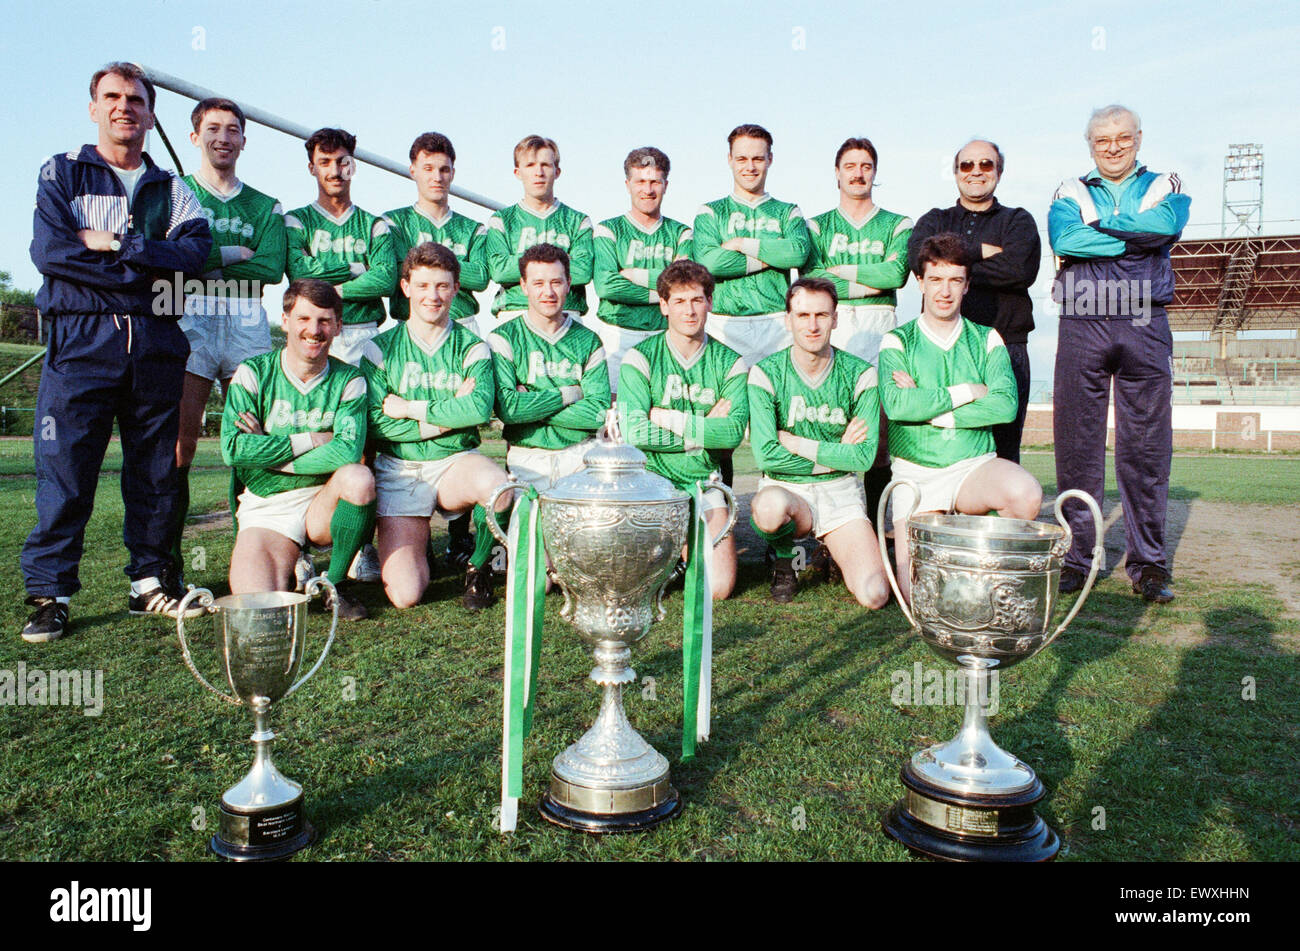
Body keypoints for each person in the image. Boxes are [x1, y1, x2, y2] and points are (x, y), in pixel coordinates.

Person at [21, 62, 212, 642]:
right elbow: (51, 254)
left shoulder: (173, 190)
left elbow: (194, 256)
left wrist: (120, 245)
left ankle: (148, 583)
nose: (124, 106)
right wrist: (146, 265)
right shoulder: (63, 172)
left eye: (135, 98)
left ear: (152, 114)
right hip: (82, 343)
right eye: (112, 97)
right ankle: (50, 594)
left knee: (155, 468)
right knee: (67, 470)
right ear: (94, 108)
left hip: (154, 345)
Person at [1049, 105, 1190, 603]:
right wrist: (1132, 236)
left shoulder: (1163, 183)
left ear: (1138, 138)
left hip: (1143, 321)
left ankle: (1148, 564)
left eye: (1122, 138)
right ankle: (1076, 557)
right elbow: (1065, 236)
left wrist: (1102, 232)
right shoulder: (1070, 189)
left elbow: (1164, 230)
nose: (1112, 147)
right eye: (1102, 139)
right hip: (1081, 320)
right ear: (1089, 144)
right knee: (1076, 449)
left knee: (1146, 450)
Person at [877, 234, 1042, 603]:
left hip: (972, 467)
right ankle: (946, 544)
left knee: (1025, 493)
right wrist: (967, 390)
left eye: (955, 280)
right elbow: (899, 406)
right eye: (936, 279)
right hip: (916, 473)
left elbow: (1004, 407)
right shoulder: (896, 341)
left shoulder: (988, 339)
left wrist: (936, 414)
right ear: (920, 281)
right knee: (916, 596)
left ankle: (986, 563)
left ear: (967, 284)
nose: (945, 291)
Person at [360, 243, 513, 612]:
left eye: (443, 286)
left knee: (499, 488)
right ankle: (417, 542)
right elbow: (378, 424)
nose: (433, 295)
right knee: (405, 594)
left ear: (456, 288)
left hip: (455, 462)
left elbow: (477, 410)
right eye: (424, 285)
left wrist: (411, 409)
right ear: (406, 287)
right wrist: (447, 418)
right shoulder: (379, 348)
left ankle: (478, 566)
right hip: (401, 468)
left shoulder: (472, 346)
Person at [171, 96, 286, 583]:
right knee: (181, 445)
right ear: (194, 136)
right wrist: (236, 252)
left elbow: (272, 266)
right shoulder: (175, 194)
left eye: (233, 129)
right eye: (213, 128)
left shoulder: (264, 204)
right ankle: (166, 563)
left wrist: (208, 257)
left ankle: (267, 548)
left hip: (244, 318)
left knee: (255, 433)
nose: (223, 137)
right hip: (186, 311)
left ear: (243, 139)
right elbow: (171, 257)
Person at [221, 279, 373, 620]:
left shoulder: (350, 379)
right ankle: (290, 568)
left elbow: (346, 452)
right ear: (286, 320)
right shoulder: (252, 373)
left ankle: (334, 583)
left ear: (338, 326)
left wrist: (271, 455)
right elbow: (234, 449)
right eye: (303, 319)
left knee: (358, 477)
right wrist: (307, 440)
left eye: (323, 321)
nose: (313, 330)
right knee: (257, 605)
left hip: (322, 498)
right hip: (268, 505)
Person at [285, 127, 397, 582]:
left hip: (363, 333)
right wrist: (355, 271)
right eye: (325, 161)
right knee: (307, 427)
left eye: (343, 161)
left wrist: (327, 283)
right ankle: (296, 541)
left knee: (364, 440)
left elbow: (386, 279)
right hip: (314, 334)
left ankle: (359, 545)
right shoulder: (295, 221)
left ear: (354, 165)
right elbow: (299, 277)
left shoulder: (377, 224)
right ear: (312, 166)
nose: (335, 169)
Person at [382, 131, 489, 570]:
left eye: (444, 169)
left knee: (469, 420)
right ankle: (406, 530)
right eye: (428, 168)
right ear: (412, 171)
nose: (437, 176)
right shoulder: (391, 223)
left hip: (460, 326)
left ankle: (463, 540)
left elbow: (480, 275)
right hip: (410, 328)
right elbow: (386, 275)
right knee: (384, 422)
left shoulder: (472, 226)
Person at [747, 277, 889, 608]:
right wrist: (840, 452)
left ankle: (831, 551)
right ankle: (785, 559)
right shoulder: (766, 373)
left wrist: (797, 443)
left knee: (875, 594)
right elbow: (767, 454)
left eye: (821, 316)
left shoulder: (860, 374)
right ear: (788, 319)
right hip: (788, 490)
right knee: (768, 508)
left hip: (840, 493)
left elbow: (865, 458)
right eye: (803, 315)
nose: (812, 325)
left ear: (835, 319)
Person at [618, 260, 747, 600]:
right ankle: (673, 557)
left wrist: (669, 419)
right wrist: (704, 431)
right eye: (679, 301)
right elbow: (634, 432)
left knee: (718, 588)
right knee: (628, 578)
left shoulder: (730, 362)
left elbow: (732, 434)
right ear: (663, 305)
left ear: (710, 303)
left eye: (697, 300)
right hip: (653, 483)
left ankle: (678, 559)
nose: (689, 311)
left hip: (705, 481)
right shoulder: (640, 358)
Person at [908, 139, 1041, 463]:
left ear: (999, 171)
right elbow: (917, 259)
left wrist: (951, 261)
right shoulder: (934, 219)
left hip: (1005, 346)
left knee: (1002, 451)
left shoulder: (1018, 220)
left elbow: (1019, 268)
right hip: (940, 348)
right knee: (940, 443)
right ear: (955, 172)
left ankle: (1000, 513)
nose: (976, 172)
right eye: (967, 165)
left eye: (986, 164)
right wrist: (983, 251)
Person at [803, 136, 912, 525]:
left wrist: (838, 273)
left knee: (878, 435)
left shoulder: (897, 223)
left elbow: (895, 274)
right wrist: (868, 278)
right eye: (850, 166)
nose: (858, 173)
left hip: (879, 325)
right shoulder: (815, 226)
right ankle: (833, 530)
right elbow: (812, 280)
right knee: (832, 427)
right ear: (837, 172)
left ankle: (878, 529)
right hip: (834, 325)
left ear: (875, 172)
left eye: (866, 166)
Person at [487, 244, 610, 491]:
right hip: (526, 455)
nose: (548, 292)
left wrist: (531, 405)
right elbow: (509, 410)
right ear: (523, 286)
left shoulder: (589, 340)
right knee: (513, 521)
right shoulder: (503, 338)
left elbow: (599, 412)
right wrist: (570, 394)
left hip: (580, 455)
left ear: (568, 283)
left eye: (556, 282)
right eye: (538, 283)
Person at [693, 124, 812, 368]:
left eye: (758, 158)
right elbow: (710, 262)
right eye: (742, 159)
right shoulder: (711, 212)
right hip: (724, 322)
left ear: (770, 159)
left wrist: (741, 244)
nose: (750, 167)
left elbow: (798, 254)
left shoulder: (788, 211)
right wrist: (771, 256)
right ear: (729, 159)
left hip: (777, 322)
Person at [592, 147, 693, 392]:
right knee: (614, 414)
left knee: (663, 412)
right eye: (640, 182)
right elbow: (606, 285)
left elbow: (683, 283)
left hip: (664, 334)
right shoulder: (608, 230)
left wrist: (633, 275)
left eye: (654, 182)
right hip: (617, 331)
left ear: (665, 185)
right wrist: (662, 294)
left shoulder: (682, 233)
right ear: (628, 184)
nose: (647, 190)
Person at [484, 135, 593, 336]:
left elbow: (583, 271)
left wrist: (519, 265)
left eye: (546, 165)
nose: (539, 172)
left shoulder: (578, 221)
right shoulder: (501, 220)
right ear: (518, 172)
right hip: (515, 310)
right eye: (530, 165)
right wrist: (560, 261)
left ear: (557, 171)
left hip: (567, 314)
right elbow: (498, 271)